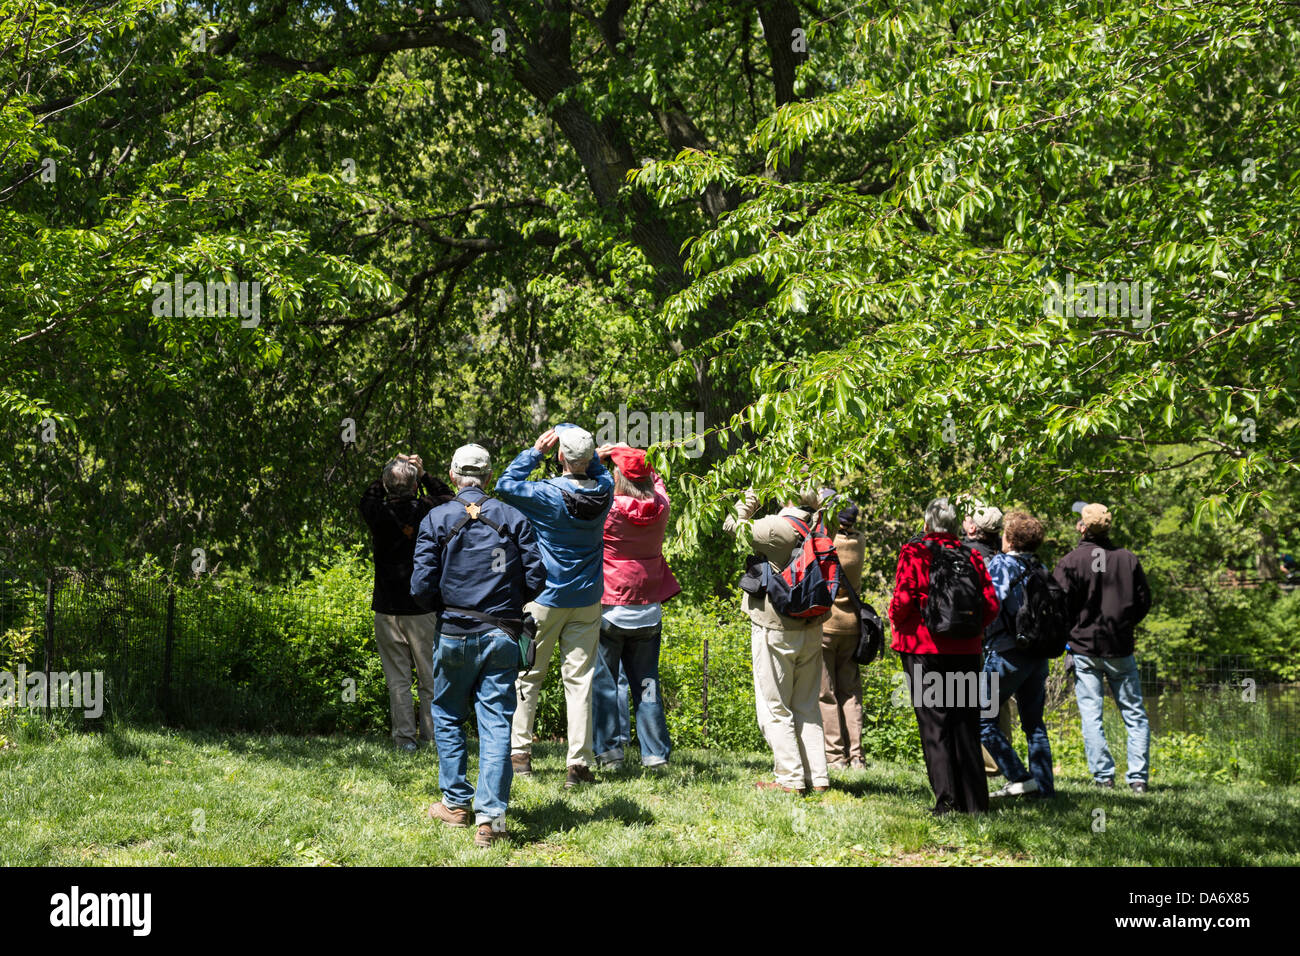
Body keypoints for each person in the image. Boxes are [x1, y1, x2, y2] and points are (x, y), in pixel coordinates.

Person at [409, 443, 545, 847]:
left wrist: (448, 607)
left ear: (453, 476)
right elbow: (538, 579)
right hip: (502, 635)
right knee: (496, 723)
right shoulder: (513, 517)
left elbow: (419, 587)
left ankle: (455, 805)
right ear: (489, 477)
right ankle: (491, 819)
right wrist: (504, 600)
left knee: (448, 715)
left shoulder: (437, 517)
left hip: (453, 633)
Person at [496, 425, 614, 789]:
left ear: (559, 456)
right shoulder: (606, 491)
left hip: (544, 600)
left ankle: (519, 755)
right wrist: (586, 450)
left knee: (528, 677)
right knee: (580, 683)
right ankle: (578, 765)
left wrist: (535, 452)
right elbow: (600, 471)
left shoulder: (544, 493)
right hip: (587, 600)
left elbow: (503, 485)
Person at [889, 497, 1000, 815]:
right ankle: (976, 804)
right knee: (965, 723)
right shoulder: (972, 555)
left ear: (926, 525)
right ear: (954, 527)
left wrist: (896, 619)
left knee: (935, 725)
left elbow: (904, 597)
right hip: (966, 649)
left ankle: (947, 802)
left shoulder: (915, 551)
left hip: (922, 648)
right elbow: (991, 605)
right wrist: (973, 630)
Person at [725, 487, 830, 795]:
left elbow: (732, 524)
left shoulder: (775, 528)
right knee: (807, 705)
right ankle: (818, 777)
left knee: (774, 707)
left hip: (776, 628)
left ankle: (790, 778)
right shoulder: (823, 525)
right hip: (812, 627)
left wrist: (751, 498)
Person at [590, 443, 680, 770]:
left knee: (604, 684)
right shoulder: (662, 508)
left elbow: (593, 482)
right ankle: (655, 755)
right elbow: (658, 483)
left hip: (610, 608)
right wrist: (629, 452)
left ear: (618, 478)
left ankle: (610, 754)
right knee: (647, 685)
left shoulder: (608, 510)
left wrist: (601, 457)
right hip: (648, 610)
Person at [1053, 503, 1153, 792]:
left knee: (1091, 715)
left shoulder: (1071, 561)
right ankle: (1137, 779)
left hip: (1084, 648)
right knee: (1135, 714)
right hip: (1120, 647)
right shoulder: (1127, 560)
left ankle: (1104, 777)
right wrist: (1125, 623)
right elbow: (1143, 601)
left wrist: (1071, 630)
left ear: (1082, 527)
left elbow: (1058, 605)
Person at [358, 454, 453, 752]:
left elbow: (368, 497)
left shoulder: (377, 511)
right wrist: (423, 474)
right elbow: (449, 497)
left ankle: (404, 740)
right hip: (422, 607)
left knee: (398, 680)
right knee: (430, 677)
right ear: (414, 486)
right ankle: (433, 736)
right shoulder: (427, 509)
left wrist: (385, 471)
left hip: (386, 608)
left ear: (386, 486)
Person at [981, 511, 1056, 799]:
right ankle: (1044, 788)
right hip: (1037, 655)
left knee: (981, 716)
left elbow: (992, 602)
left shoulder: (1002, 565)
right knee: (1034, 722)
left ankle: (1020, 777)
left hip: (1007, 652)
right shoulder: (1041, 566)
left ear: (1010, 539)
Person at [959, 499, 1015, 776]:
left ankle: (984, 761)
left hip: (971, 636)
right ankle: (1003, 758)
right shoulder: (1005, 557)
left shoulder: (964, 554)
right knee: (998, 700)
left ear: (974, 528)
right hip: (1002, 639)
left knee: (970, 698)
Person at [820, 501, 866, 771]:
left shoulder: (828, 541)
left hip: (827, 625)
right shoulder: (858, 541)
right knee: (851, 692)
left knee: (827, 693)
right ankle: (857, 755)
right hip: (853, 626)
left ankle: (836, 756)